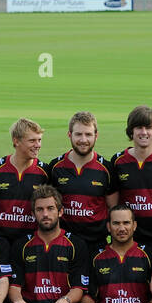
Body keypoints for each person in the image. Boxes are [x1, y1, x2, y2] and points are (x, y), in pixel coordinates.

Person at [5, 186, 89, 303]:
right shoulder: (22, 245)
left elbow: (78, 287)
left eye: (50, 208)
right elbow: (14, 285)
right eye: (40, 209)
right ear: (33, 213)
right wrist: (18, 301)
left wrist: (66, 300)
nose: (45, 214)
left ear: (60, 211)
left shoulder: (76, 244)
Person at [110, 106, 152, 259]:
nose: (144, 132)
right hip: (129, 241)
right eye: (138, 127)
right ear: (131, 131)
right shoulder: (117, 162)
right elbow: (113, 205)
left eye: (148, 127)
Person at [46, 111, 115, 259]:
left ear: (96, 135)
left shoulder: (106, 169)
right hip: (62, 244)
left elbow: (113, 209)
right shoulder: (55, 167)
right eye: (78, 134)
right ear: (69, 135)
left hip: (97, 245)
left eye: (88, 134)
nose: (83, 140)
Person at [78, 203, 152, 303]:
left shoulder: (148, 254)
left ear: (134, 225)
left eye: (126, 223)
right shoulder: (96, 257)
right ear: (108, 227)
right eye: (116, 223)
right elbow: (87, 292)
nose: (121, 228)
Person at [0, 118, 50, 255]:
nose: (38, 145)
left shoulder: (45, 172)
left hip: (30, 245)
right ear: (16, 141)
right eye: (32, 141)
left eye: (39, 140)